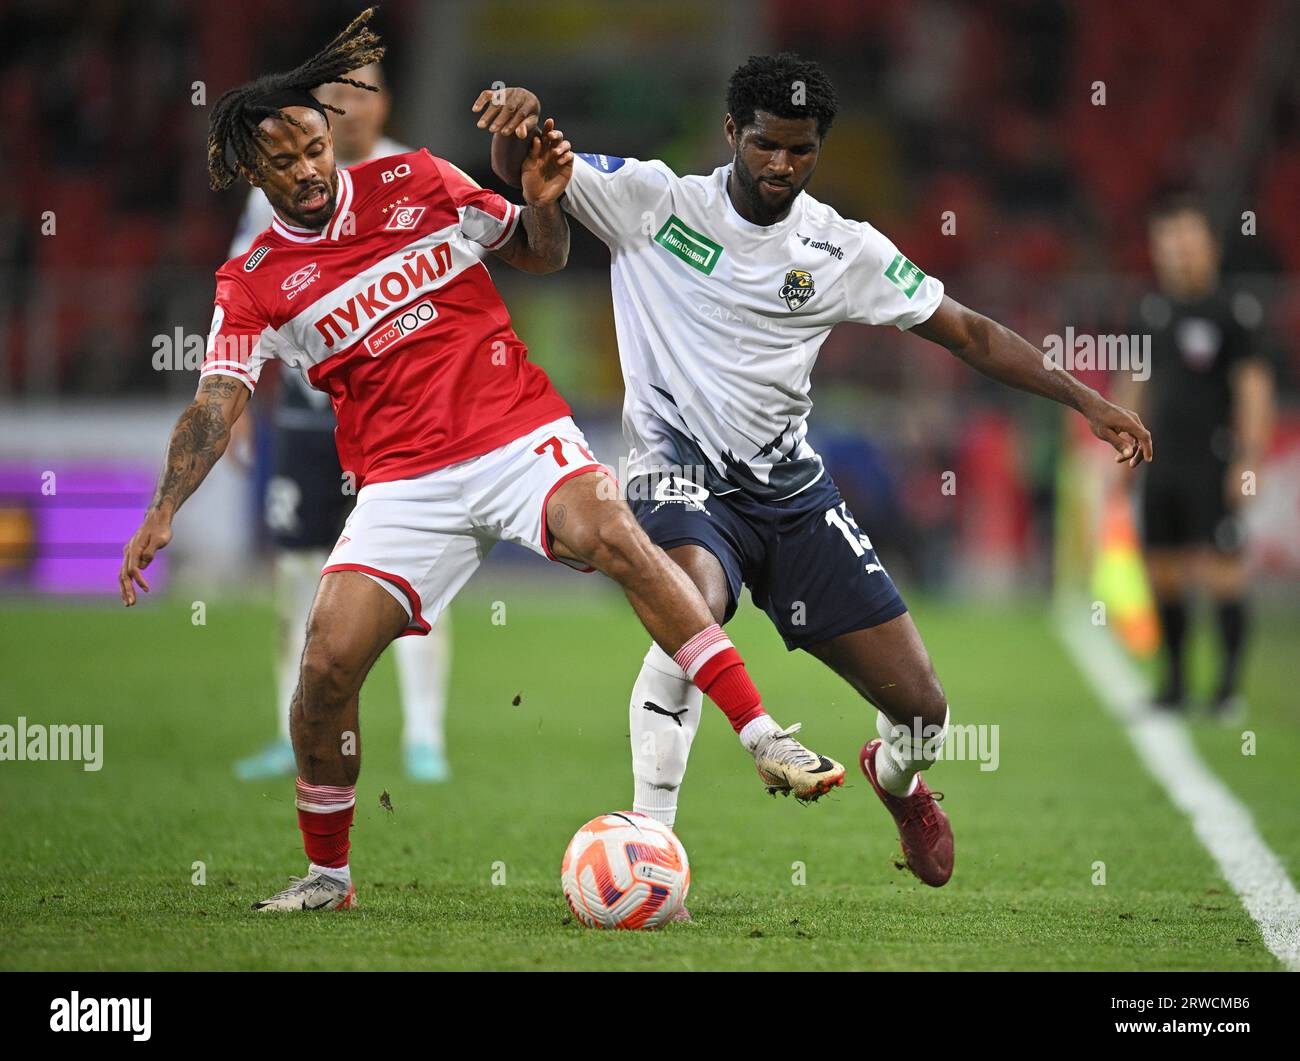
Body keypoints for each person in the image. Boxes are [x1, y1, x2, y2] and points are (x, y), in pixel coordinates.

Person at [119, 10, 843, 914]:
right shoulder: (254, 279)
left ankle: (762, 732)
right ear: (251, 173)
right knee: (324, 669)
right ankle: (328, 876)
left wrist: (540, 198)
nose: (308, 170)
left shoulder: (419, 180)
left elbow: (540, 255)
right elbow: (216, 402)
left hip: (514, 435)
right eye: (284, 161)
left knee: (613, 532)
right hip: (401, 485)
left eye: (316, 146)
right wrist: (164, 507)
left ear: (331, 135)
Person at [480, 55, 1152, 895]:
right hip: (676, 472)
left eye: (801, 151)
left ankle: (896, 779)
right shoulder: (652, 200)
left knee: (924, 710)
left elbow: (970, 333)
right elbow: (533, 181)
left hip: (793, 495)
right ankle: (652, 841)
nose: (781, 166)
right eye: (765, 146)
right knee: (691, 604)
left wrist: (1084, 399)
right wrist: (514, 136)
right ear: (732, 133)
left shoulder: (841, 248)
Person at [226, 61, 454, 784]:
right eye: (336, 97)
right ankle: (289, 730)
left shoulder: (412, 176)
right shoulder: (277, 186)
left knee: (419, 579)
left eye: (365, 92)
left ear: (386, 102)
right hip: (304, 416)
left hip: (401, 419)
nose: (351, 108)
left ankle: (424, 738)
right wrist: (232, 404)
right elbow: (243, 302)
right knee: (297, 577)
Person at [1127, 193, 1273, 718]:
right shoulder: (1151, 310)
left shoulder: (1234, 311)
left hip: (1214, 459)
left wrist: (1248, 460)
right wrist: (1122, 444)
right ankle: (1174, 684)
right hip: (1161, 460)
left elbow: (1253, 387)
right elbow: (1137, 380)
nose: (1178, 253)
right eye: (1168, 243)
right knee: (1162, 570)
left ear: (1209, 247)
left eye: (1188, 242)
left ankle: (1228, 689)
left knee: (1223, 573)